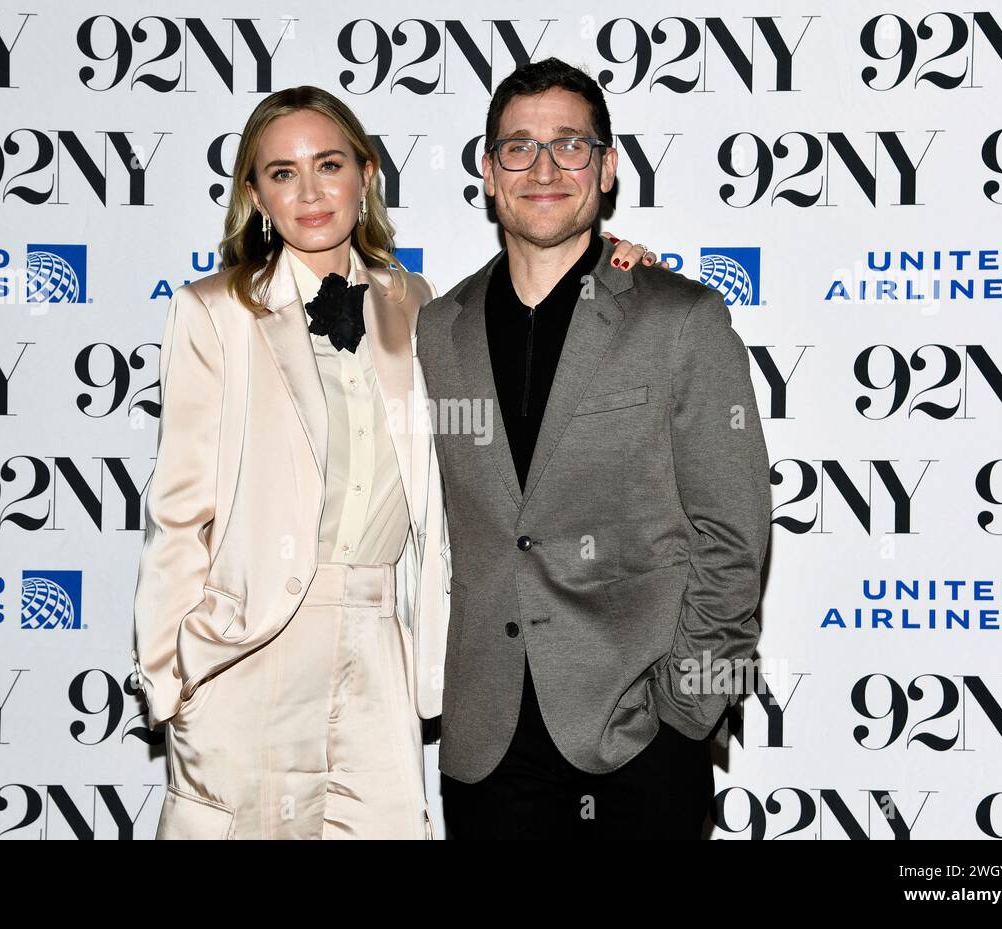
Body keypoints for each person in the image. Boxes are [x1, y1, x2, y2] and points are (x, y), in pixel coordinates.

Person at [131, 83, 656, 839]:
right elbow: (180, 509)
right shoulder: (214, 310)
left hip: (384, 642)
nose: (310, 192)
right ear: (255, 193)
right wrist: (172, 677)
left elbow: (539, 295)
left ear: (366, 174)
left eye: (329, 165)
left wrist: (619, 266)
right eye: (282, 173)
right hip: (251, 649)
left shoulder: (419, 303)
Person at [416, 59, 773, 839]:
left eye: (570, 145)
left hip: (638, 741)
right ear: (487, 171)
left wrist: (686, 706)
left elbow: (735, 533)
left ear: (607, 168)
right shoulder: (438, 329)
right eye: (518, 147)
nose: (543, 168)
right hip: (486, 744)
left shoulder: (680, 318)